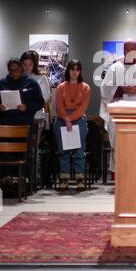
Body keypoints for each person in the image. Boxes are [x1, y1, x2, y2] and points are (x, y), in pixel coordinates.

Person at [99, 40, 136, 165]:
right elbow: (105, 90)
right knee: (121, 144)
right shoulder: (115, 68)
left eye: (134, 49)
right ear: (124, 50)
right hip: (120, 115)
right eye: (128, 49)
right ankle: (122, 178)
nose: (131, 51)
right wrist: (121, 88)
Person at [53, 59, 91, 190]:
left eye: (77, 69)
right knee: (63, 151)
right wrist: (66, 119)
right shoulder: (61, 86)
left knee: (79, 151)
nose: (74, 72)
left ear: (80, 71)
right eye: (72, 69)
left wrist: (71, 118)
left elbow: (83, 107)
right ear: (68, 70)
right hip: (62, 120)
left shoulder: (85, 87)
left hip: (79, 119)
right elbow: (58, 106)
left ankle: (80, 180)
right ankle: (64, 180)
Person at [0, 57, 44, 126]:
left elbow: (40, 102)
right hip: (5, 121)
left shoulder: (31, 83)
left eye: (17, 69)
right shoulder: (1, 83)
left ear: (21, 68)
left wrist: (27, 107)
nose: (14, 73)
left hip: (25, 121)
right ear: (8, 70)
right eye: (11, 70)